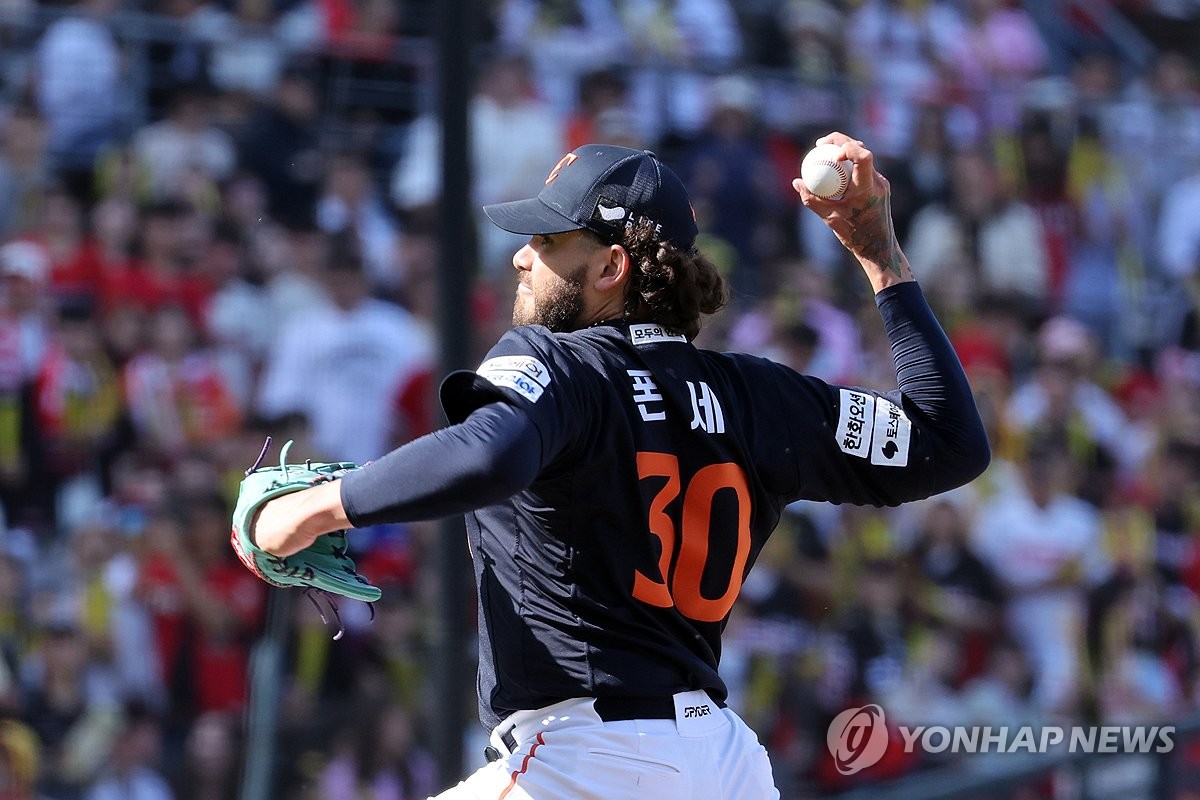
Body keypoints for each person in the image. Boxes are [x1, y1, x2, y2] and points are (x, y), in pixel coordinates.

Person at [247, 134, 990, 798]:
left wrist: (312, 506)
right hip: (726, 766)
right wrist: (880, 257)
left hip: (590, 761)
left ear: (610, 265)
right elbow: (948, 442)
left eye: (546, 239)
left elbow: (492, 452)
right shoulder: (758, 395)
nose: (520, 254)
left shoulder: (558, 363)